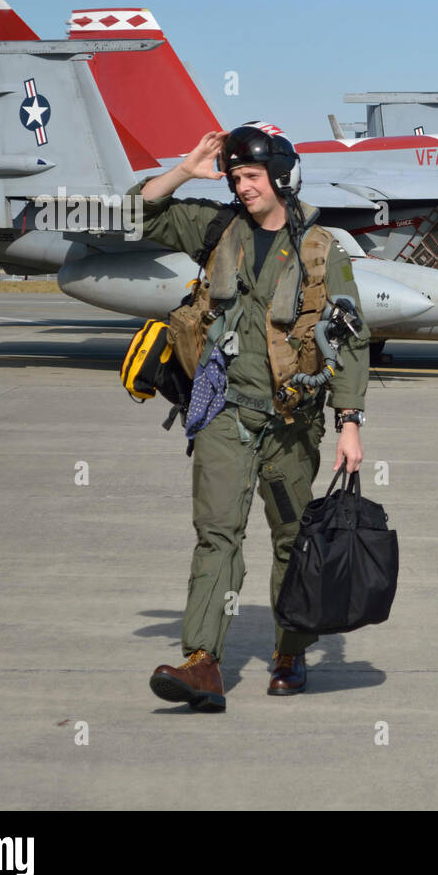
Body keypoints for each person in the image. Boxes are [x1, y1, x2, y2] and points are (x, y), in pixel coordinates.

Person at [131, 125, 368, 711]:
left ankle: (289, 650)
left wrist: (350, 422)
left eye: (252, 177)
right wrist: (188, 168)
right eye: (236, 178)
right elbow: (138, 213)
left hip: (291, 424)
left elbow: (351, 337)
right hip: (224, 414)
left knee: (290, 538)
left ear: (281, 177)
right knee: (216, 535)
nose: (243, 186)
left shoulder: (322, 249)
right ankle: (202, 662)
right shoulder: (217, 230)